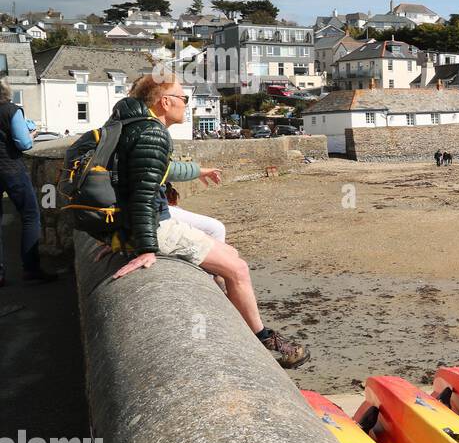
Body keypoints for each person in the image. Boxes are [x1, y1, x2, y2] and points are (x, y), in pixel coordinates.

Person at [78, 72, 308, 368]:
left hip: (135, 224)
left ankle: (235, 316)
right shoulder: (152, 132)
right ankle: (265, 341)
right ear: (165, 102)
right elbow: (143, 192)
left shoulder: (130, 125)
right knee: (237, 268)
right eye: (183, 99)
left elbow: (150, 172)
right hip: (156, 227)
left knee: (229, 254)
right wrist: (145, 247)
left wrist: (120, 234)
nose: (187, 105)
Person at [0, 83, 57, 286]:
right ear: (6, 93)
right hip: (11, 169)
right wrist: (31, 134)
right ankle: (31, 268)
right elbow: (23, 143)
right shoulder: (11, 110)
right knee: (31, 215)